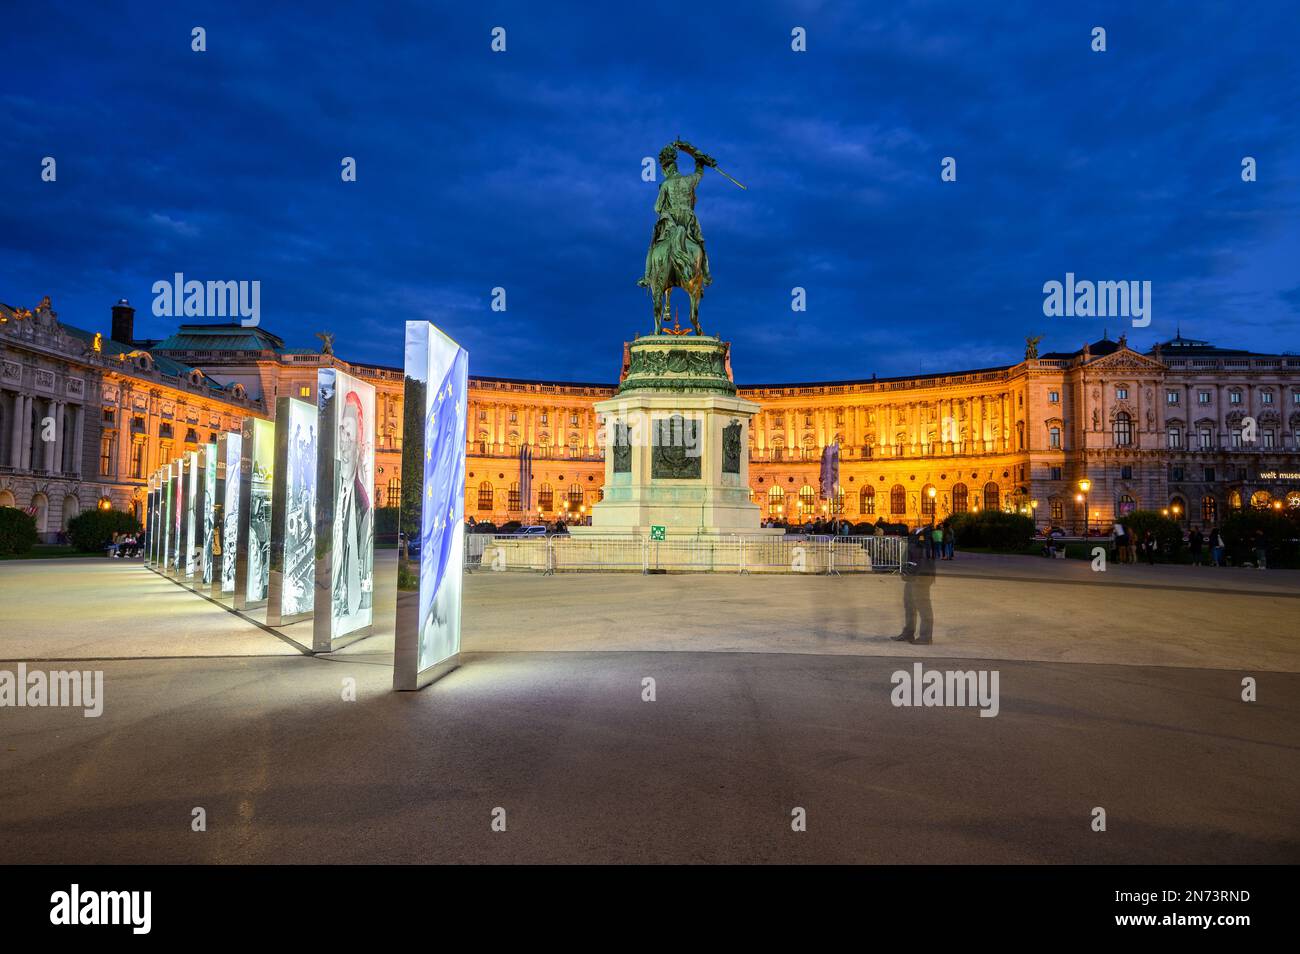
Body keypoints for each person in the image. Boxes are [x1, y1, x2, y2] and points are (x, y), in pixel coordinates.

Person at [893, 527, 935, 644]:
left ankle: (926, 637)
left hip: (921, 578)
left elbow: (923, 559)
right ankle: (908, 632)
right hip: (912, 577)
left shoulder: (925, 538)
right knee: (909, 605)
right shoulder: (916, 537)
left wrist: (916, 573)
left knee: (923, 607)